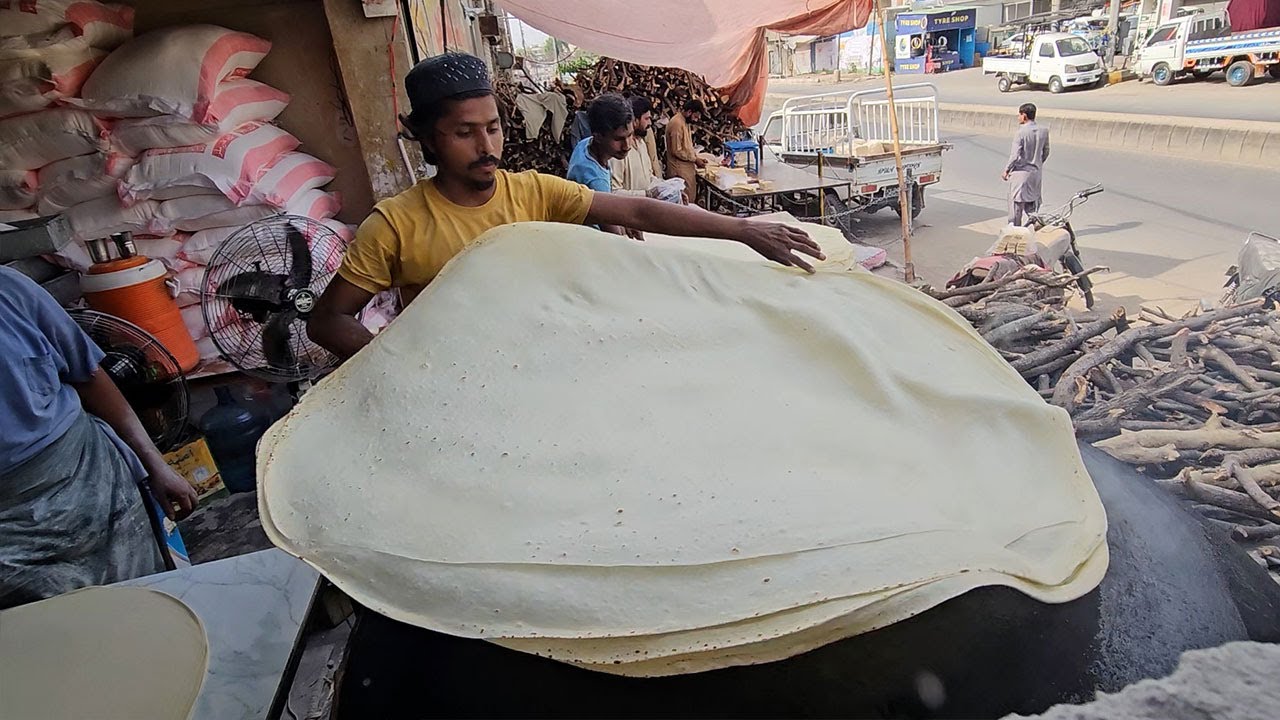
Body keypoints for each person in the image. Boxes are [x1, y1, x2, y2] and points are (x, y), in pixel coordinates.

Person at [307, 53, 822, 361]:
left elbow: (638, 213)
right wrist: (395, 361)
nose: (486, 145)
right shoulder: (395, 225)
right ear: (424, 137)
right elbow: (328, 320)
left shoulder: (532, 192)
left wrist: (742, 230)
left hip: (541, 358)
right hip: (456, 375)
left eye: (493, 127)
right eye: (464, 133)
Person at [0, 266, 197, 609]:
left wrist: (155, 465)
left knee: (156, 609)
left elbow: (90, 374)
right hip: (12, 538)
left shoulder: (9, 289)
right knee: (63, 639)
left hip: (99, 486)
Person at [567, 93, 634, 236]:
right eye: (618, 139)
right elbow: (615, 234)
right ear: (598, 136)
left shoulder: (584, 145)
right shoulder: (596, 181)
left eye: (630, 135)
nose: (627, 145)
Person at [1002, 102, 1050, 227]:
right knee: (1032, 206)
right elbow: (1046, 152)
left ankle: (1015, 233)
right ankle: (1037, 227)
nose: (1018, 117)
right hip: (1036, 175)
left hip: (1021, 175)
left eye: (1019, 115)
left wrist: (1006, 170)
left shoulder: (1021, 133)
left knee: (1016, 209)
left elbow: (1014, 156)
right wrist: (1037, 164)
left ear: (1024, 116)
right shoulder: (1044, 131)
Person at [664, 99, 706, 202]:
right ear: (689, 112)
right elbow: (676, 150)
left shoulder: (684, 122)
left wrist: (696, 158)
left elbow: (686, 147)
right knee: (684, 202)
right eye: (695, 117)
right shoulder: (677, 124)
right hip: (679, 170)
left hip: (686, 169)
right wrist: (695, 160)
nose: (696, 120)